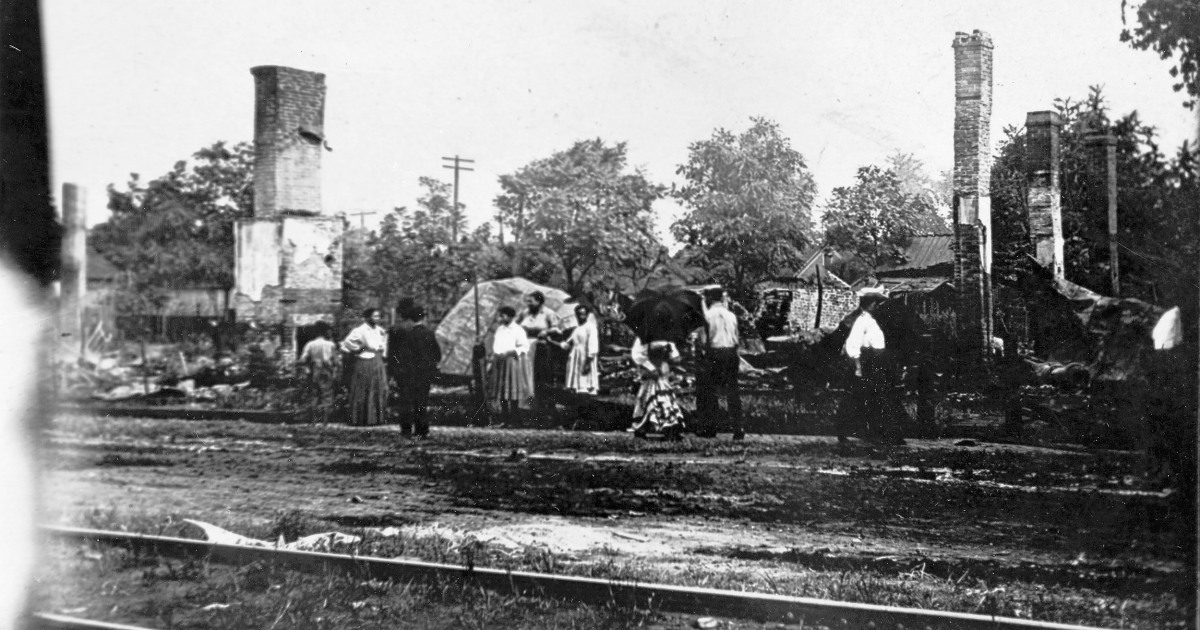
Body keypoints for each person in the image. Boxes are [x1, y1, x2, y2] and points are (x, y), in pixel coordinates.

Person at [840, 289, 902, 444]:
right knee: (866, 397)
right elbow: (853, 345)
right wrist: (858, 366)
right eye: (875, 303)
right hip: (868, 361)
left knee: (877, 397)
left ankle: (879, 432)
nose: (877, 306)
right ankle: (854, 432)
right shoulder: (862, 321)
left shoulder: (872, 321)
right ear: (868, 305)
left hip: (878, 360)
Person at [387, 302, 442, 438]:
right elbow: (437, 354)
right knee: (421, 401)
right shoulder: (430, 333)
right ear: (423, 318)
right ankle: (422, 430)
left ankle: (406, 430)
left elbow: (403, 355)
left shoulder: (408, 335)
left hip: (409, 373)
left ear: (411, 319)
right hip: (425, 373)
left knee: (406, 402)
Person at [695, 288, 743, 440]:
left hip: (715, 353)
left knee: (709, 390)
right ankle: (738, 427)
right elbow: (736, 338)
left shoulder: (707, 316)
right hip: (731, 353)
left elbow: (703, 341)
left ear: (709, 299)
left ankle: (710, 428)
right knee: (732, 391)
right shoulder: (732, 316)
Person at [340, 307, 389, 426]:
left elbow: (383, 344)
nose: (377, 319)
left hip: (377, 360)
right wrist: (359, 349)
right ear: (367, 317)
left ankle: (376, 418)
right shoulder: (359, 330)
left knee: (378, 386)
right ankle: (360, 418)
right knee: (363, 388)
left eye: (378, 316)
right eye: (374, 316)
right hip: (364, 361)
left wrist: (382, 351)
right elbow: (346, 344)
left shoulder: (380, 330)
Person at [628, 337, 684, 440]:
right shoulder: (644, 337)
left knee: (664, 398)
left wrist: (674, 356)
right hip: (651, 372)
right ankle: (642, 428)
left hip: (663, 371)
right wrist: (650, 367)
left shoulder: (668, 338)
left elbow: (674, 356)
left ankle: (669, 428)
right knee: (648, 398)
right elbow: (637, 355)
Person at [516, 291, 560, 411]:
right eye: (528, 302)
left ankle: (546, 408)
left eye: (531, 301)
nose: (529, 304)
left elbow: (557, 329)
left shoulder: (548, 313)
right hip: (526, 348)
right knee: (526, 376)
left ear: (539, 302)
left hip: (542, 348)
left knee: (541, 377)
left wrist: (547, 332)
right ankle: (527, 405)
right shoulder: (525, 313)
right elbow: (515, 325)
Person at [490, 305, 532, 424]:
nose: (501, 318)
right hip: (500, 361)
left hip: (512, 361)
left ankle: (514, 418)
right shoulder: (500, 329)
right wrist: (498, 353)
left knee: (512, 389)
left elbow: (524, 346)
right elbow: (496, 345)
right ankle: (504, 418)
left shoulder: (518, 330)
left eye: (503, 316)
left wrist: (512, 351)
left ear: (509, 316)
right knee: (502, 390)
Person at [298, 322, 338, 422]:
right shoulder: (330, 344)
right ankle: (325, 421)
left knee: (314, 394)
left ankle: (314, 420)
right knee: (327, 395)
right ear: (324, 332)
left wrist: (308, 366)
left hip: (314, 370)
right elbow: (336, 361)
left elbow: (302, 360)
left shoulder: (310, 344)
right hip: (326, 370)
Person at [558, 305, 600, 395]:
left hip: (586, 355)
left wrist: (588, 362)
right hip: (575, 355)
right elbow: (568, 343)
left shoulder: (591, 327)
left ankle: (586, 394)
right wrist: (553, 341)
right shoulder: (577, 328)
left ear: (587, 315)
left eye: (583, 314)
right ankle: (576, 394)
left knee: (585, 379)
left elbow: (593, 345)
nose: (581, 317)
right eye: (578, 314)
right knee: (575, 379)